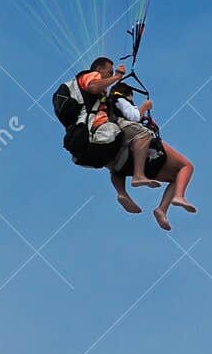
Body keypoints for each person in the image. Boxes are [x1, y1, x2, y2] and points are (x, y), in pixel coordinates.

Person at [79, 57, 197, 230]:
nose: (110, 75)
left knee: (116, 166)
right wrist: (144, 107)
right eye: (109, 71)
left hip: (113, 144)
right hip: (131, 138)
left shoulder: (104, 104)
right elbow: (133, 117)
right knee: (185, 166)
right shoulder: (117, 96)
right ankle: (168, 193)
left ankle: (144, 202)